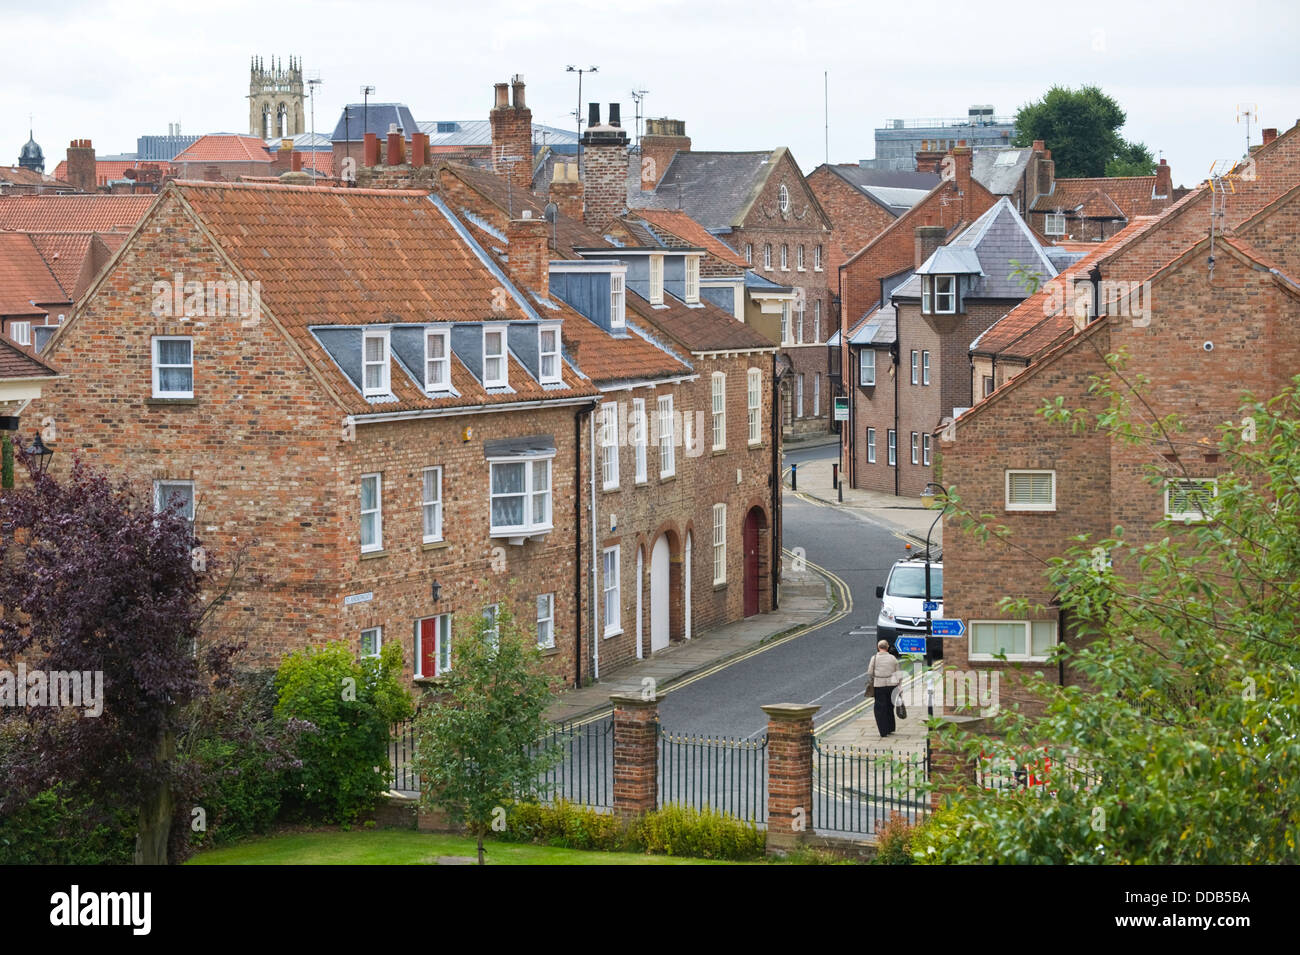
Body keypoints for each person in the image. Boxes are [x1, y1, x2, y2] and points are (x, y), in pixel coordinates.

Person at [866, 640, 901, 738]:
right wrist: (899, 685)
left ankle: (883, 731)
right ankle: (890, 728)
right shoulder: (893, 658)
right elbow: (898, 673)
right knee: (890, 707)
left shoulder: (874, 658)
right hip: (892, 685)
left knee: (880, 709)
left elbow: (869, 672)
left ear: (878, 647)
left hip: (879, 685)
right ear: (888, 647)